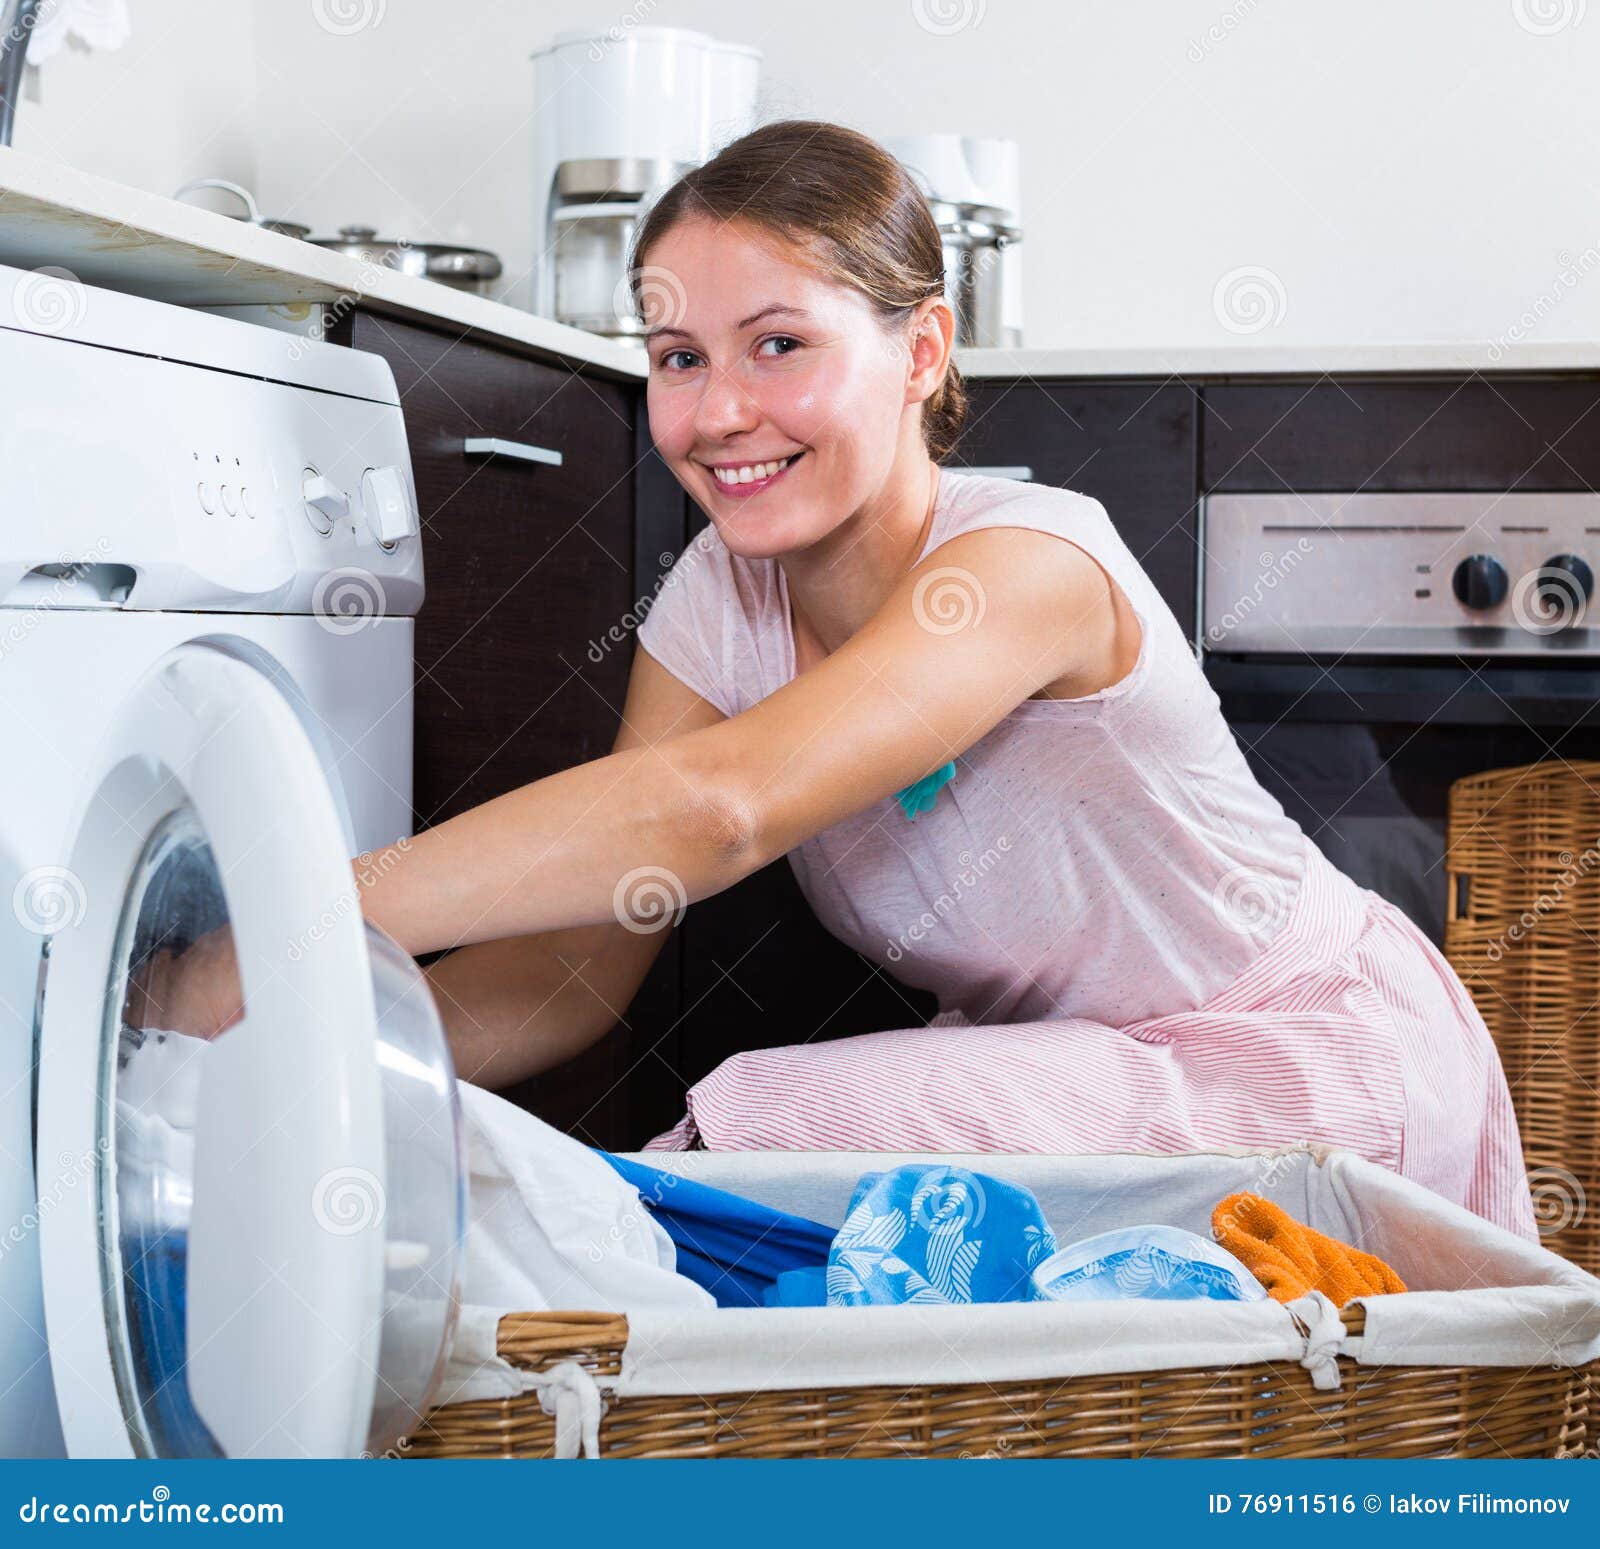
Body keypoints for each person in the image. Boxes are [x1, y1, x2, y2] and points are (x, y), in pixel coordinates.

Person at [144, 119, 1538, 1244]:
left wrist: (291, 914)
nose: (719, 411)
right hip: (1083, 1070)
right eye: (680, 357)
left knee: (770, 1127)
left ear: (922, 352)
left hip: (1300, 1056)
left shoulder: (1032, 565)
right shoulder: (721, 596)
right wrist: (296, 1045)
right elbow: (578, 968)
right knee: (757, 1163)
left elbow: (716, 807)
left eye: (780, 344)